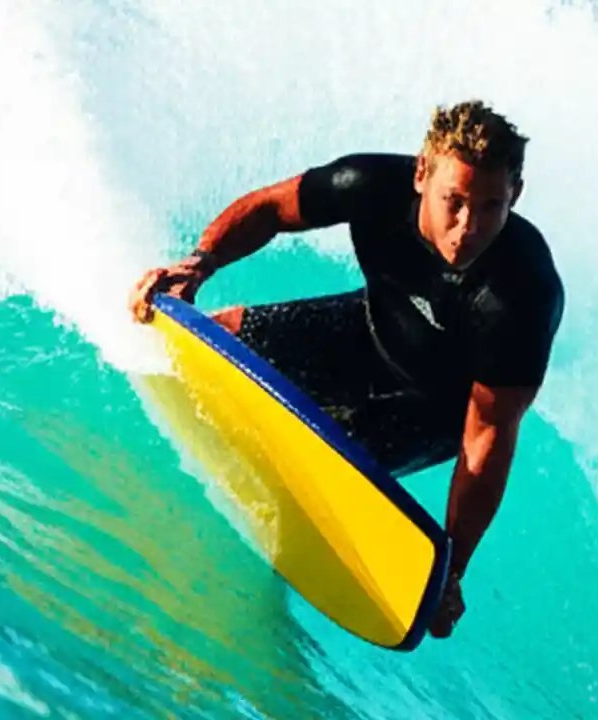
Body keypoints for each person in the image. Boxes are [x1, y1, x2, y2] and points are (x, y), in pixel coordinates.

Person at [127, 100, 564, 638]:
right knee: (222, 334)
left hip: (435, 411)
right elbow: (270, 208)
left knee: (312, 472)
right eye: (454, 201)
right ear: (422, 174)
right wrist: (199, 264)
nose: (467, 227)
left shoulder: (523, 293)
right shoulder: (371, 185)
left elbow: (485, 439)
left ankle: (256, 610)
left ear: (514, 196)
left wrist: (453, 569)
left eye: (491, 206)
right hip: (369, 330)